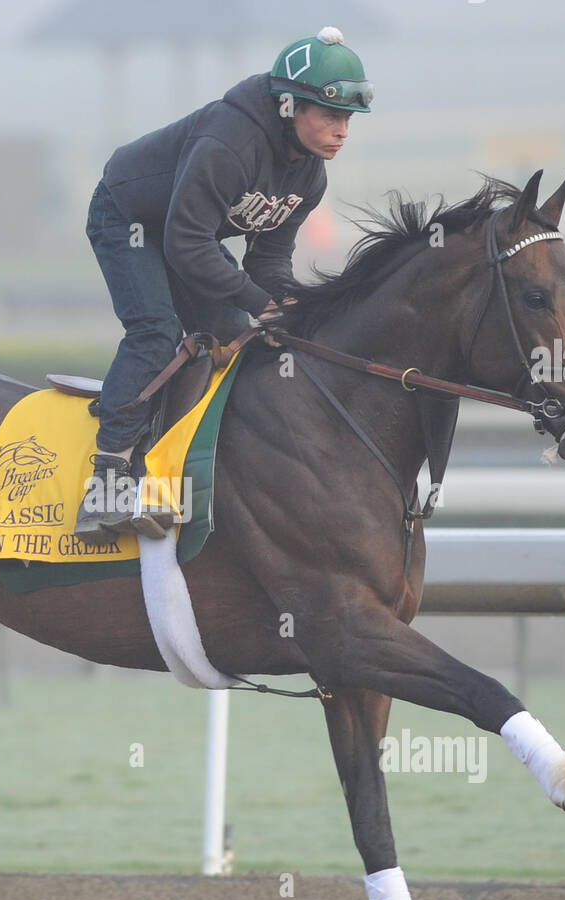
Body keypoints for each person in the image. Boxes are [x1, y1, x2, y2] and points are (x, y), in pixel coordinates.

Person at [73, 26, 373, 539]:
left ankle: (186, 471)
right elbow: (186, 245)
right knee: (154, 332)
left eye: (347, 118)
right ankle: (105, 491)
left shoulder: (309, 177)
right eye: (329, 114)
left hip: (182, 233)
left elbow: (269, 261)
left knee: (234, 335)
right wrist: (262, 301)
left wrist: (287, 302)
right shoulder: (228, 144)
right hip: (129, 218)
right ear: (287, 107)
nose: (342, 129)